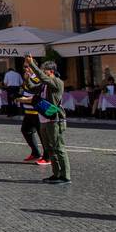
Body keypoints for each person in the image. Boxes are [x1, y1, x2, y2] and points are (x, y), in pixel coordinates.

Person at [27, 55, 71, 184]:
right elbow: (31, 87)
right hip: (44, 119)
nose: (42, 72)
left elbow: (42, 77)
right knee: (49, 148)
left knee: (59, 148)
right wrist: (28, 75)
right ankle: (56, 174)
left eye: (44, 70)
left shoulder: (57, 82)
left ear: (51, 71)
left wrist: (32, 65)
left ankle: (65, 176)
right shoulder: (43, 85)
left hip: (55, 120)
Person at [18, 70, 45, 163]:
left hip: (37, 112)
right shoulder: (26, 78)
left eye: (27, 67)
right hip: (28, 111)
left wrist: (24, 100)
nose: (25, 69)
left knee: (43, 135)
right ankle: (35, 153)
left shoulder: (38, 79)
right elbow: (24, 90)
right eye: (24, 67)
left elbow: (38, 94)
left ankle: (47, 157)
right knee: (26, 130)